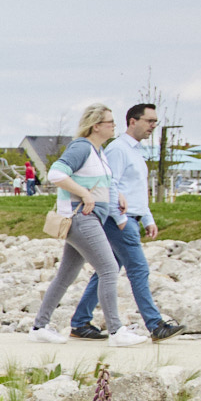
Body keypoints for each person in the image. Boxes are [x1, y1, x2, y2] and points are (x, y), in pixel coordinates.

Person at [31, 103, 143, 345]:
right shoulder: (82, 147)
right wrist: (84, 194)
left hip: (88, 218)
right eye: (110, 122)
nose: (114, 126)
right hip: (82, 217)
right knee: (109, 268)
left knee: (66, 275)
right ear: (96, 126)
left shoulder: (98, 151)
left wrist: (118, 196)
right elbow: (56, 173)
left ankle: (39, 326)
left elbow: (103, 183)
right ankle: (116, 332)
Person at [70, 102, 182, 342]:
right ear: (133, 121)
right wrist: (120, 219)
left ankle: (80, 322)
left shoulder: (136, 151)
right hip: (121, 220)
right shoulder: (119, 149)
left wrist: (148, 217)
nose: (153, 126)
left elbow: (136, 189)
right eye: (149, 121)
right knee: (139, 269)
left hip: (132, 218)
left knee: (107, 270)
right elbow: (111, 185)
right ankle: (155, 325)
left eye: (155, 122)